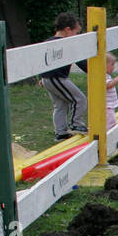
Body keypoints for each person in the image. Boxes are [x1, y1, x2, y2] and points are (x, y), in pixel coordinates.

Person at [39, 12, 89, 141]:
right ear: (68, 30)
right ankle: (76, 125)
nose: (76, 36)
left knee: (60, 105)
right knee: (79, 99)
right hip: (57, 78)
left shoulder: (48, 42)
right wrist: (93, 71)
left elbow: (42, 60)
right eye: (76, 32)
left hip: (48, 78)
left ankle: (61, 133)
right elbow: (81, 62)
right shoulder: (67, 44)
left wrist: (41, 77)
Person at [104, 53, 118, 128]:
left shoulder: (106, 76)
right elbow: (107, 85)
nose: (114, 67)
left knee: (110, 119)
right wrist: (116, 79)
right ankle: (108, 134)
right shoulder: (102, 76)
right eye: (112, 64)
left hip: (109, 105)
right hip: (106, 105)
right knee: (111, 122)